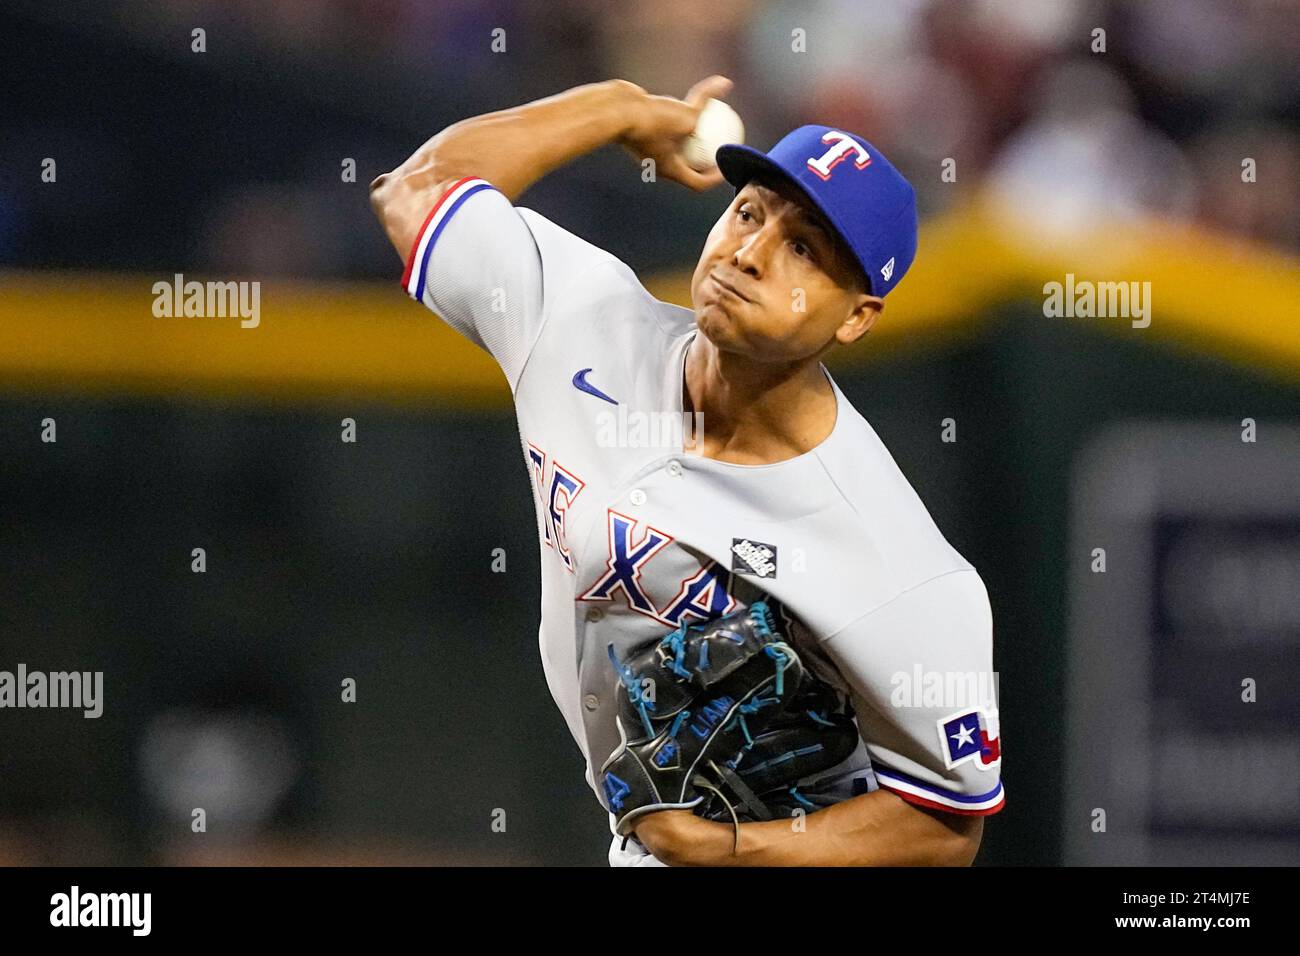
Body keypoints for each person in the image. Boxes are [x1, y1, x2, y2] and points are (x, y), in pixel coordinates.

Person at [370, 76, 1003, 866]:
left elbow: (946, 827)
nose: (749, 254)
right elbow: (418, 189)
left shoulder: (898, 561)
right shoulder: (582, 320)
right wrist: (617, 109)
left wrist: (731, 849)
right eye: (748, 212)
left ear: (856, 316)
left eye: (802, 247)